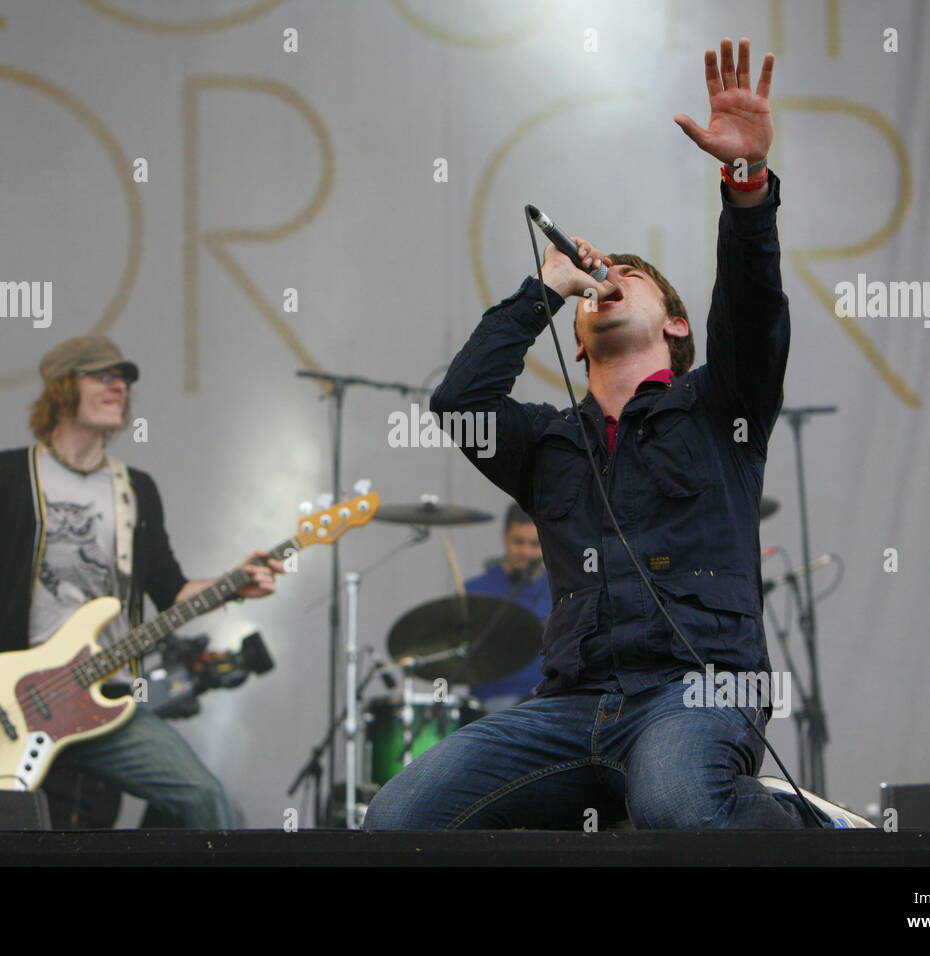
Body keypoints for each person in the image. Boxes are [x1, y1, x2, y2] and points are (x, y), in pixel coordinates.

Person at [365, 38, 870, 830]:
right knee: (395, 820)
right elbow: (460, 400)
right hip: (571, 703)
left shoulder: (719, 404)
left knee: (673, 801)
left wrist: (745, 182)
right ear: (573, 341)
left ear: (673, 324)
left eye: (630, 280)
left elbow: (751, 303)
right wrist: (545, 287)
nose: (607, 283)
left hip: (700, 688)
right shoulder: (546, 440)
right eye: (596, 287)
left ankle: (809, 830)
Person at [0, 335, 282, 828]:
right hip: (14, 703)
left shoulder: (135, 489)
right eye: (102, 376)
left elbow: (170, 591)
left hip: (109, 701)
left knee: (205, 799)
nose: (119, 386)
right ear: (62, 388)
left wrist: (233, 584)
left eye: (123, 379)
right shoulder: (5, 475)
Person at [465, 503, 551, 711]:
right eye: (518, 542)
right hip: (494, 703)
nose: (526, 552)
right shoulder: (474, 591)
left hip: (550, 701)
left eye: (535, 544)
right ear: (505, 537)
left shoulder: (564, 589)